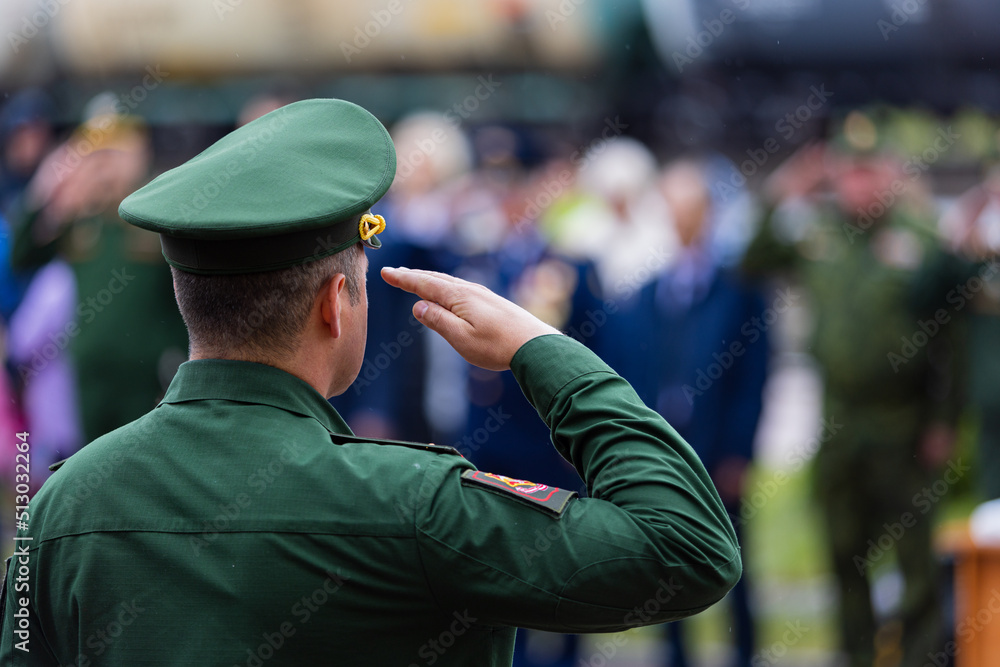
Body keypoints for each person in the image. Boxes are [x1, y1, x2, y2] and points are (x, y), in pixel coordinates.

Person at [0, 99, 740, 665]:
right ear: (334, 302)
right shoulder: (417, 503)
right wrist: (540, 348)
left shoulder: (63, 506)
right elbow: (688, 545)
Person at [743, 120, 956, 667]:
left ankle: (919, 656)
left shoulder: (920, 237)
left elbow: (949, 336)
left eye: (870, 172)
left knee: (915, 563)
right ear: (835, 174)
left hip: (903, 423)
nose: (860, 185)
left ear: (888, 174)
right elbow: (752, 259)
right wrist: (787, 187)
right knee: (844, 554)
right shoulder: (816, 234)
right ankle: (857, 655)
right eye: (850, 172)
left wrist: (944, 421)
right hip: (839, 422)